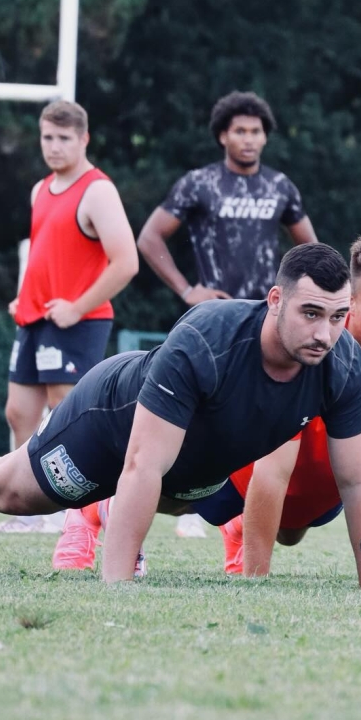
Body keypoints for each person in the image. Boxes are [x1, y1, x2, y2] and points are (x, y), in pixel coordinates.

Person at [0, 243, 361, 587]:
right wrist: (118, 588)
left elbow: (359, 481)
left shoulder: (345, 364)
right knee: (9, 492)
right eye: (311, 313)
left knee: (188, 502)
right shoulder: (207, 339)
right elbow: (143, 465)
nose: (324, 334)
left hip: (192, 469)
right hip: (109, 423)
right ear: (275, 301)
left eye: (337, 317)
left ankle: (107, 508)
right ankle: (91, 511)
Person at [190, 234, 361, 583]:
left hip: (326, 490)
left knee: (290, 533)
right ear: (349, 302)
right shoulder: (311, 344)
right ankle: (114, 519)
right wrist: (255, 580)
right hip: (241, 473)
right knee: (175, 497)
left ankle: (243, 526)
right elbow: (272, 473)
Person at [136, 90, 317, 538]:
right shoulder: (199, 183)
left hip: (268, 319)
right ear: (223, 136)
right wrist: (187, 290)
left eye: (256, 131)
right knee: (198, 408)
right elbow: (149, 237)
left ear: (265, 137)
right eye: (240, 130)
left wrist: (300, 302)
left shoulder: (280, 187)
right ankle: (190, 503)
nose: (249, 138)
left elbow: (311, 251)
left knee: (263, 411)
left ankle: (242, 510)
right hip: (214, 321)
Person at [0, 100, 138, 535]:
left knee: (67, 414)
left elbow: (126, 263)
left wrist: (77, 306)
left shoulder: (98, 190)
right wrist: (25, 297)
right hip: (36, 318)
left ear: (83, 139)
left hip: (78, 320)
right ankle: (29, 510)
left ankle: (69, 512)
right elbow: (46, 255)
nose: (53, 146)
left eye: (63, 138)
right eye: (47, 137)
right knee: (19, 412)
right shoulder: (40, 189)